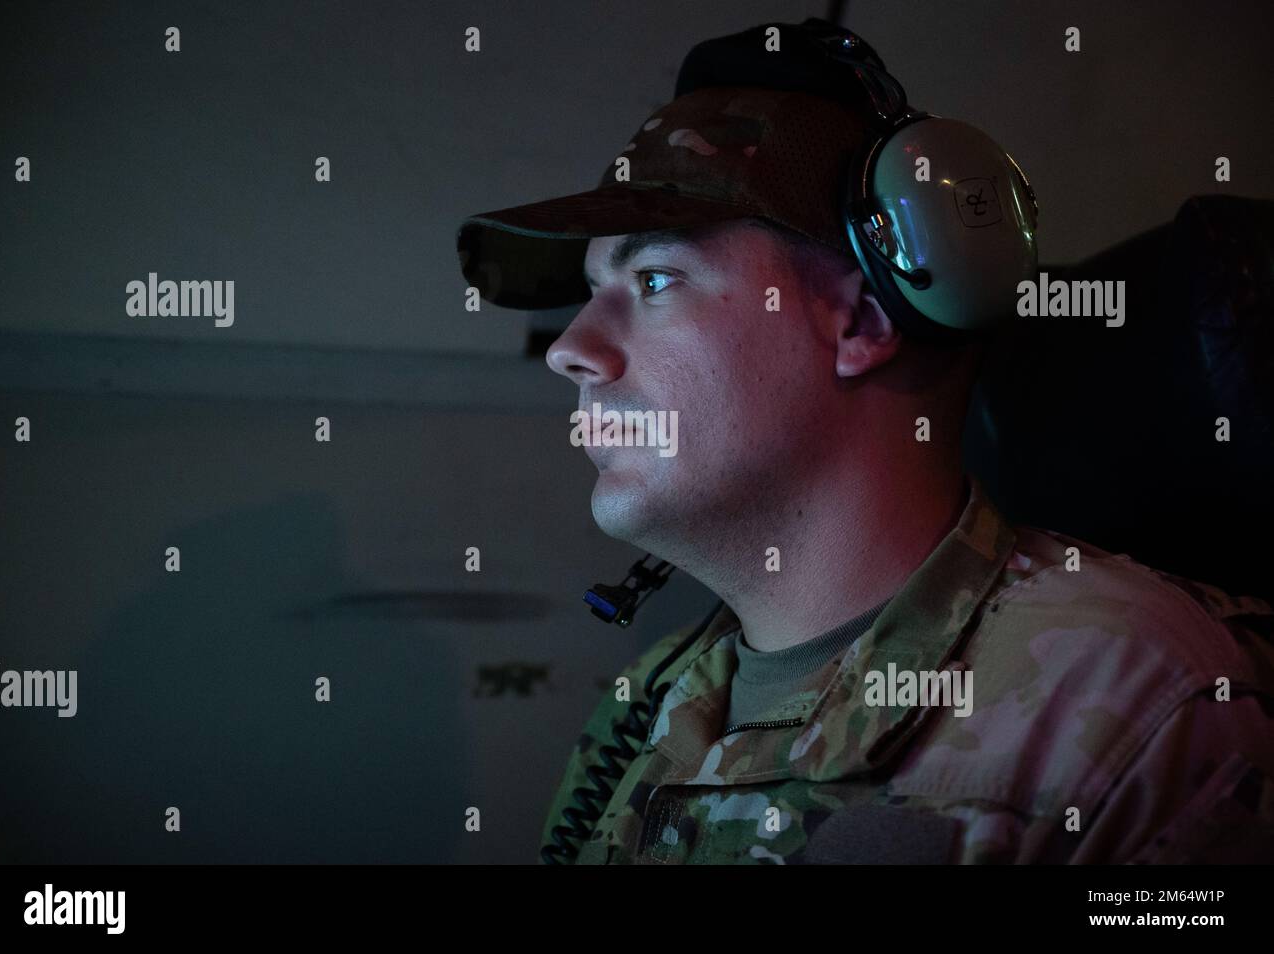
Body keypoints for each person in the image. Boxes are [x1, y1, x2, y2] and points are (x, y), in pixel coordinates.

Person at [455, 19, 1274, 864]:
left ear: (863, 319)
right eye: (592, 290)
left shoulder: (1133, 709)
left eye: (654, 279)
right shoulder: (657, 694)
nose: (569, 349)